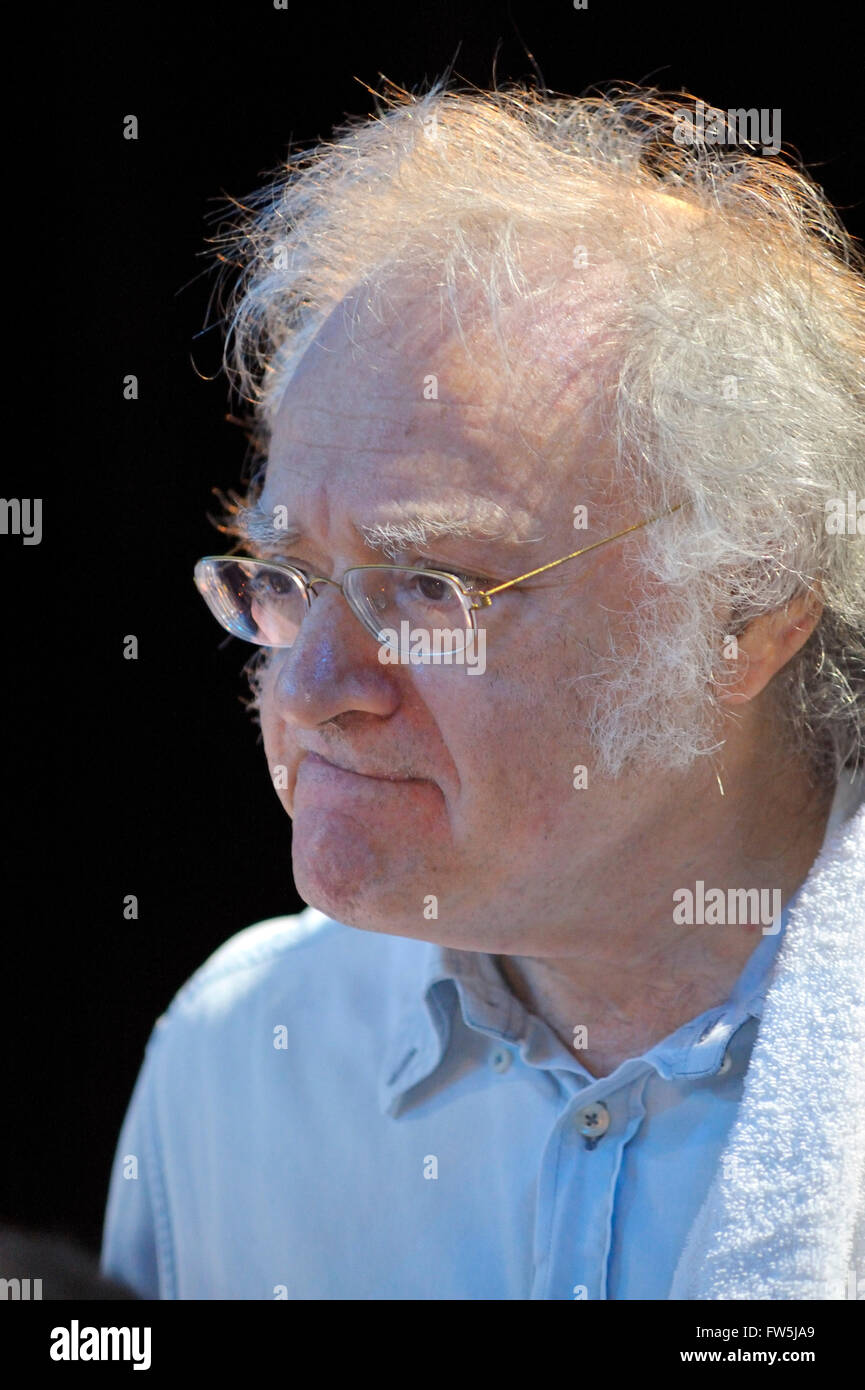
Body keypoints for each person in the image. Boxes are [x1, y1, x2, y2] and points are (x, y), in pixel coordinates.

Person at [101, 80, 865, 1300]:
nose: (312, 685)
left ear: (750, 605)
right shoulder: (240, 1055)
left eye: (427, 586)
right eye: (287, 573)